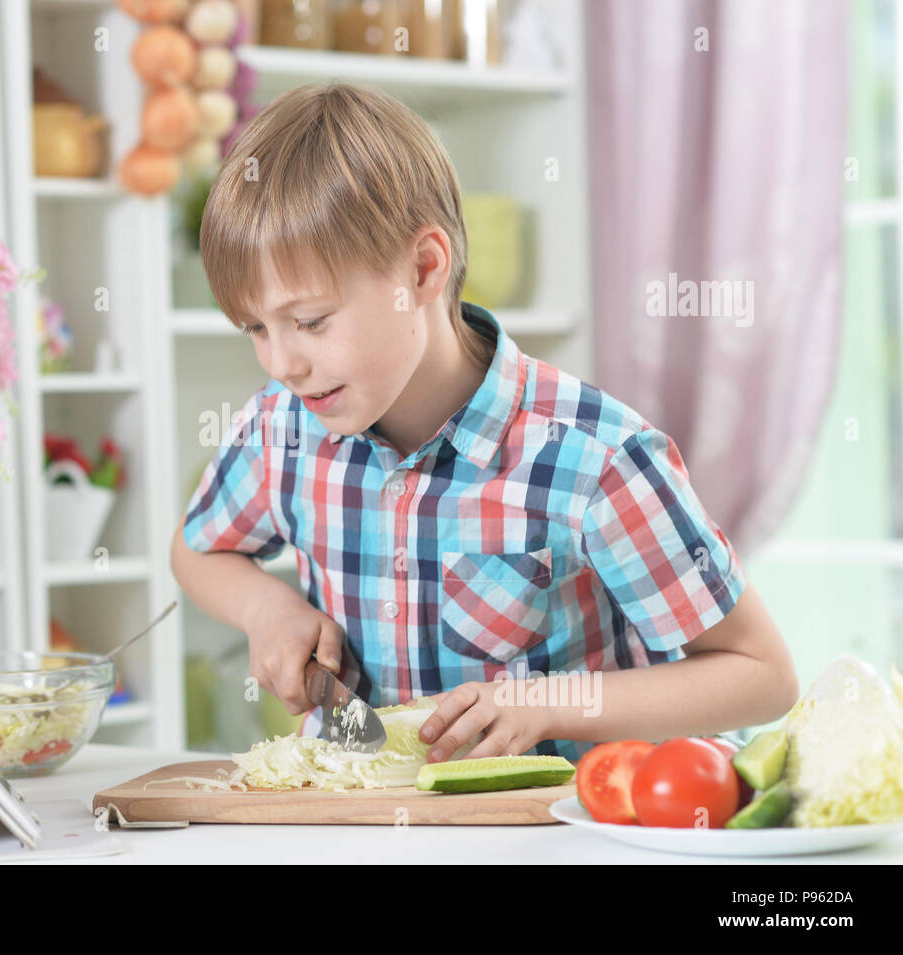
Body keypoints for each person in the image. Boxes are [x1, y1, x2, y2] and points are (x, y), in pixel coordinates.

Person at [170, 83, 798, 763]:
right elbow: (198, 546)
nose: (283, 361)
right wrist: (268, 609)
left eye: (311, 321)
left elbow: (762, 675)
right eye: (256, 329)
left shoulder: (594, 457)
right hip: (379, 826)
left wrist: (549, 704)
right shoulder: (283, 426)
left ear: (423, 268)